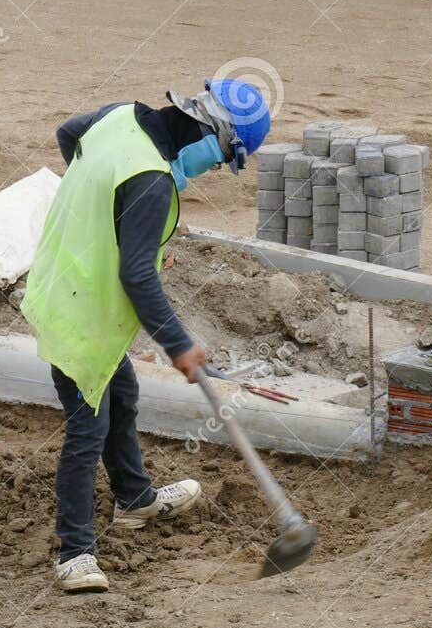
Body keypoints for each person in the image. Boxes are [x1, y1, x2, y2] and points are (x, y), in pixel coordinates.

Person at [22, 76, 272, 594]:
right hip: (84, 312)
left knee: (124, 394)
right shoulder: (153, 183)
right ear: (212, 134)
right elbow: (136, 276)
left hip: (64, 281)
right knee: (88, 427)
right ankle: (74, 553)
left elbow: (68, 134)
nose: (215, 169)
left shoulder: (119, 116)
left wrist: (99, 208)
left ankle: (135, 499)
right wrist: (179, 345)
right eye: (224, 157)